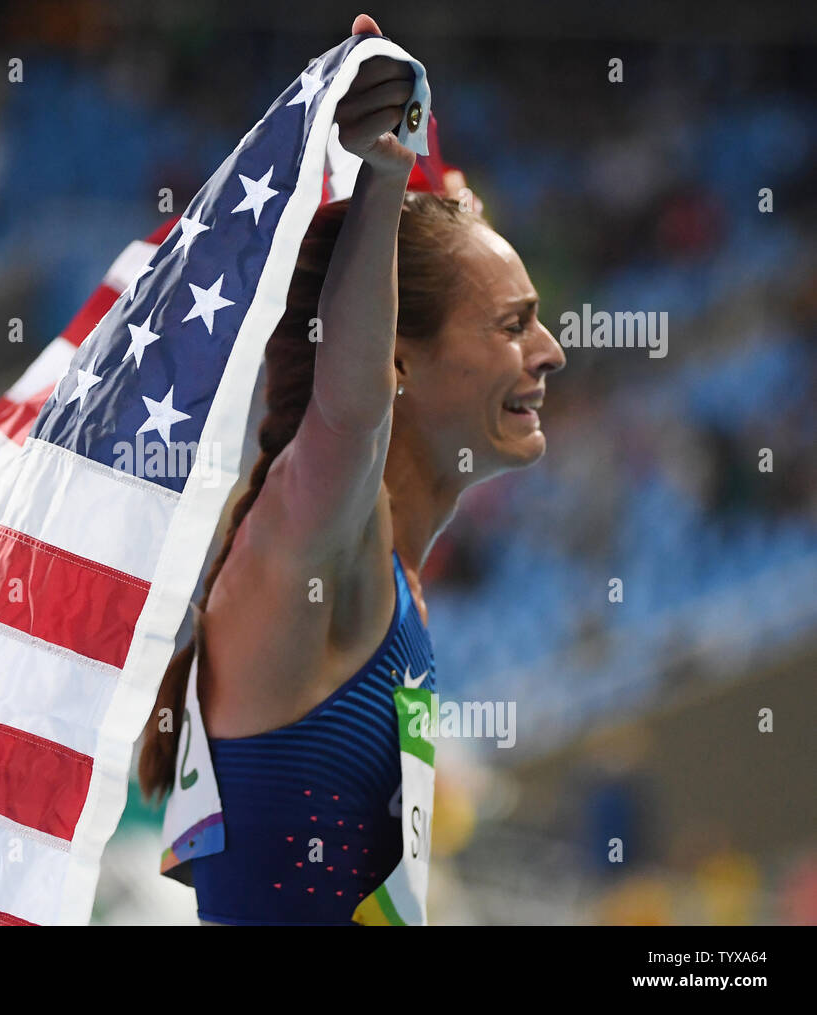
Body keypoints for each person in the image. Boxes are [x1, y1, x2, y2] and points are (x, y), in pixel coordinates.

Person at [138, 14, 567, 924]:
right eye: (513, 323)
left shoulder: (380, 576)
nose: (552, 350)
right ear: (396, 361)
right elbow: (349, 405)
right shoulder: (318, 539)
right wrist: (381, 178)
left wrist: (424, 188)